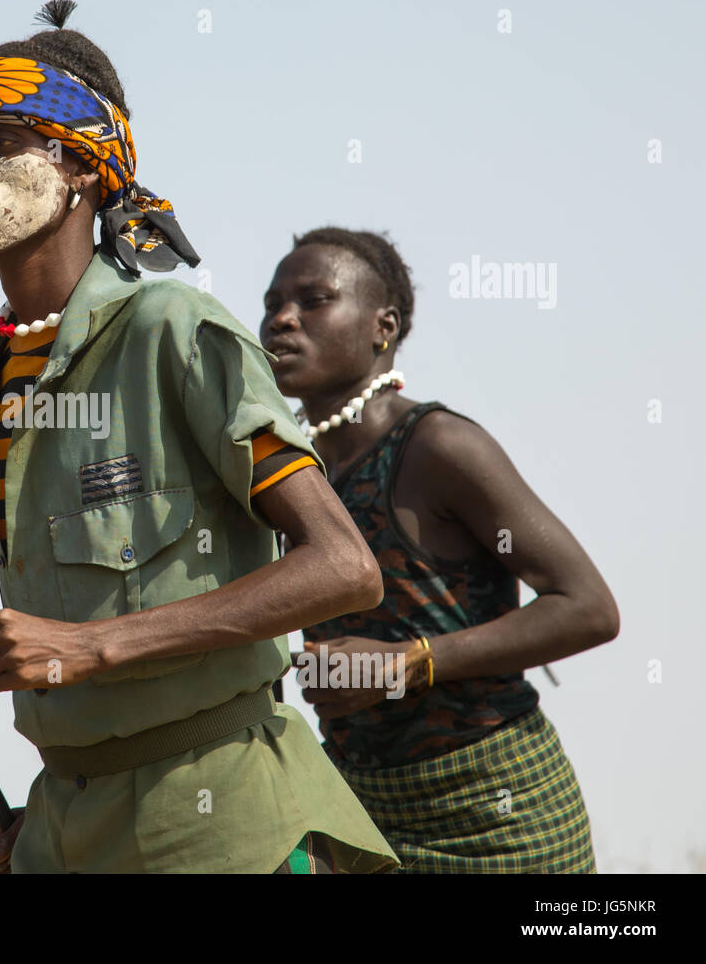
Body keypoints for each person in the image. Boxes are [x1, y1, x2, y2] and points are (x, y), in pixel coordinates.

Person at [0, 0, 399, 874]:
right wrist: (42, 816)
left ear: (76, 165)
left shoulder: (172, 329)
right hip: (66, 829)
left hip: (218, 824)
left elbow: (346, 567)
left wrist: (88, 646)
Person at [261, 226, 619, 873]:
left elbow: (589, 606)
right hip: (361, 814)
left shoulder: (438, 447)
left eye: (313, 300)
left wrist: (412, 661)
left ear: (383, 327)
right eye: (273, 303)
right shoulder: (293, 478)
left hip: (498, 813)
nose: (281, 319)